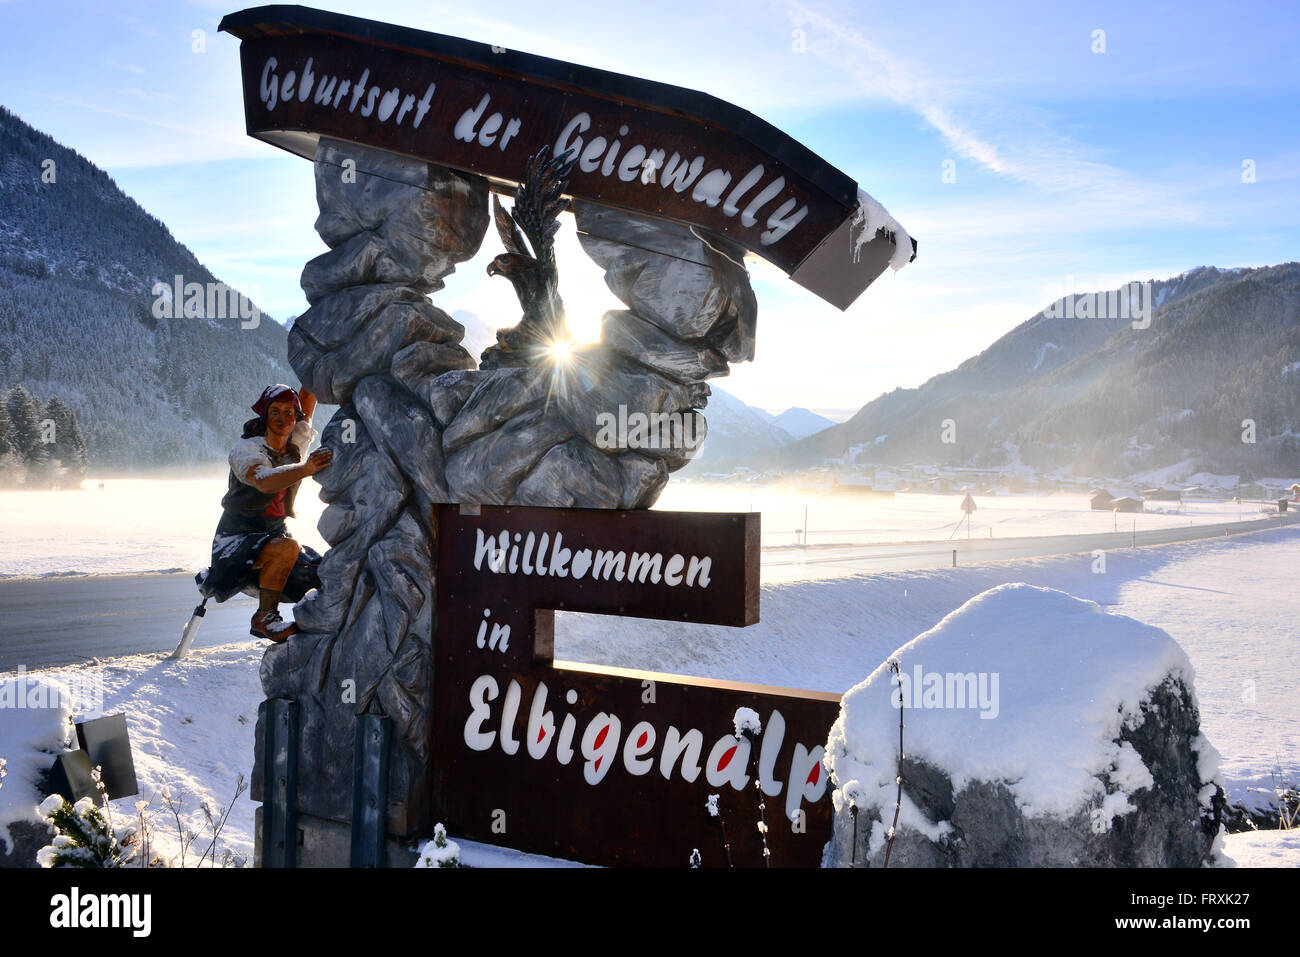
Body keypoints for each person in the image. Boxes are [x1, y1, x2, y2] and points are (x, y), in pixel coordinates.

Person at [196, 384, 332, 642]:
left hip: (274, 532)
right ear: (265, 416)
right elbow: (263, 481)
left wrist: (320, 362)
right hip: (236, 539)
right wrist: (306, 468)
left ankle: (322, 618)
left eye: (289, 413)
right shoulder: (247, 449)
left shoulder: (294, 442)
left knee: (324, 569)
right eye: (275, 412)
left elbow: (308, 398)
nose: (283, 419)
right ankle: (265, 617)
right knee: (287, 548)